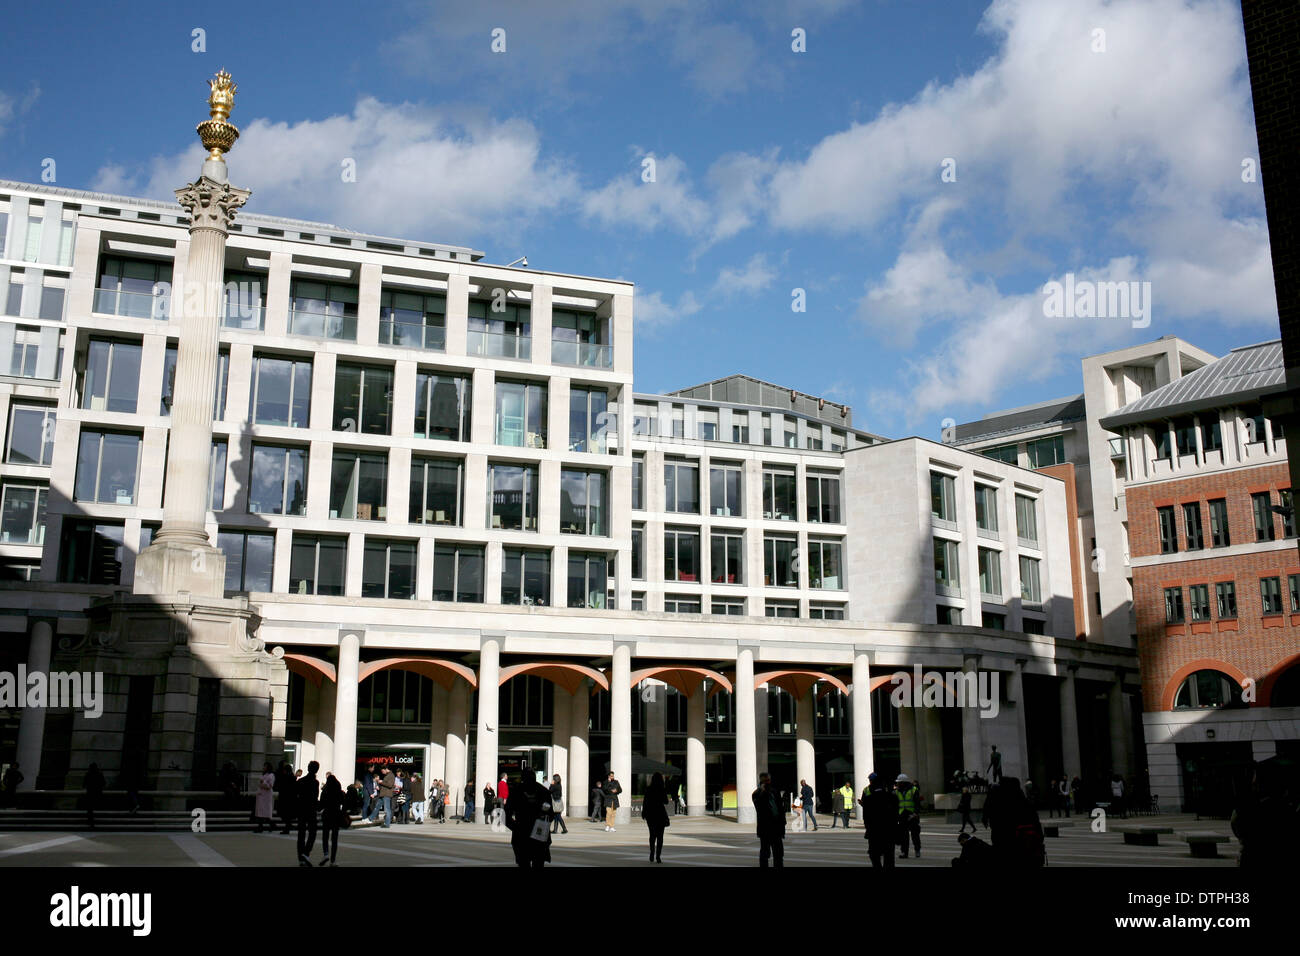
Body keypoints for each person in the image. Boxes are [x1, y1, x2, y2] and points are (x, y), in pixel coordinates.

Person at [983, 777, 1046, 867]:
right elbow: (1038, 831)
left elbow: (997, 838)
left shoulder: (1000, 810)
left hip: (1010, 853)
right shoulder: (1026, 805)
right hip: (1028, 853)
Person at [505, 768, 553, 868]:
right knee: (538, 863)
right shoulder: (544, 791)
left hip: (522, 832)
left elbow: (506, 814)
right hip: (539, 832)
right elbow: (551, 815)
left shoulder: (516, 791)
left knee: (523, 863)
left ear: (522, 778)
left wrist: (515, 827)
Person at [861, 773, 898, 868]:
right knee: (889, 856)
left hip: (874, 832)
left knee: (874, 855)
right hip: (889, 831)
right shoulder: (892, 797)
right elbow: (896, 816)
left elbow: (866, 818)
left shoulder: (868, 799)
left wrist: (868, 830)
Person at [752, 772, 785, 867]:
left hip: (776, 827)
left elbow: (780, 809)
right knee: (765, 853)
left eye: (768, 780)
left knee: (778, 853)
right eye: (765, 781)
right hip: (765, 828)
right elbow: (758, 807)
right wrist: (762, 792)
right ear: (761, 782)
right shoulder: (757, 794)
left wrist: (782, 825)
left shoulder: (775, 792)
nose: (767, 783)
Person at [296, 760, 321, 867]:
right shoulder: (315, 783)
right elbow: (315, 797)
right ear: (316, 770)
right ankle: (306, 853)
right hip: (310, 810)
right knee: (312, 833)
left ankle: (301, 857)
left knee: (301, 834)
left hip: (302, 809)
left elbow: (296, 795)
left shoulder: (300, 781)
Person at [318, 772, 345, 867]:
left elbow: (320, 805)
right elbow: (343, 801)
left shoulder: (325, 791)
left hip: (327, 814)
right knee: (334, 838)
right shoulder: (339, 791)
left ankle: (326, 853)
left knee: (325, 836)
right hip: (336, 814)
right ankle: (333, 860)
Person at [643, 772, 670, 863]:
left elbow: (645, 801)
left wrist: (644, 813)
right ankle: (658, 856)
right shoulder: (662, 789)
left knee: (652, 835)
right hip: (660, 814)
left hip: (650, 814)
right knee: (660, 836)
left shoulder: (649, 789)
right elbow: (666, 802)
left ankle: (652, 852)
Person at [895, 773, 922, 859]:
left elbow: (917, 803)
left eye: (899, 782)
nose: (898, 784)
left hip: (912, 815)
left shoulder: (914, 790)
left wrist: (915, 814)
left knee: (915, 834)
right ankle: (904, 852)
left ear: (904, 782)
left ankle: (917, 850)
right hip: (902, 815)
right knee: (903, 835)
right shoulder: (897, 791)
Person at [276, 761, 297, 834]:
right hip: (289, 798)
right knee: (286, 814)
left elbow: (282, 787)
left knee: (285, 814)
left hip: (286, 798)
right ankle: (288, 826)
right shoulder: (292, 777)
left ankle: (287, 827)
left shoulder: (287, 778)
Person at [254, 762, 276, 832]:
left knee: (265, 812)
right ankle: (261, 827)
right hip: (261, 795)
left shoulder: (271, 775)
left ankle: (270, 825)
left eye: (265, 766)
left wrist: (263, 782)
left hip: (266, 796)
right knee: (261, 812)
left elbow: (270, 785)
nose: (263, 768)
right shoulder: (264, 775)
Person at [84, 763, 105, 829]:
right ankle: (92, 821)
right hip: (97, 793)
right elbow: (103, 783)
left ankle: (90, 821)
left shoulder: (88, 774)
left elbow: (84, 783)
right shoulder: (99, 774)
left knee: (89, 808)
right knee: (93, 807)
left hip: (90, 793)